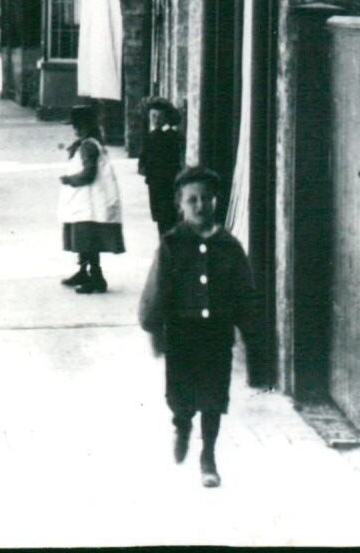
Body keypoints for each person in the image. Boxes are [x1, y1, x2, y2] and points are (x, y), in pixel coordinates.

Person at [138, 166, 255, 489]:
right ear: (181, 204)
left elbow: (245, 292)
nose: (200, 205)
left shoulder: (229, 245)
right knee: (180, 395)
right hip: (181, 334)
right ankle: (182, 425)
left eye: (206, 199)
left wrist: (251, 330)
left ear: (215, 202)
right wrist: (154, 327)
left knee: (214, 397)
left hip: (217, 333)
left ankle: (209, 456)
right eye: (193, 200)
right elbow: (156, 290)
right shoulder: (172, 245)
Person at [58, 101, 125, 294]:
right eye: (75, 126)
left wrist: (69, 179)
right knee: (83, 239)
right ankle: (83, 271)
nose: (76, 130)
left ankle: (96, 277)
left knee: (88, 241)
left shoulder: (88, 146)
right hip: (85, 202)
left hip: (90, 203)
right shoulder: (88, 144)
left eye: (80, 126)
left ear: (89, 126)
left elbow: (89, 174)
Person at [140, 99, 186, 233]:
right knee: (162, 217)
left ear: (166, 118)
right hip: (156, 183)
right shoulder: (151, 136)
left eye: (158, 116)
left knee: (168, 216)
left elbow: (178, 159)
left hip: (168, 182)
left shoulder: (173, 137)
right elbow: (143, 160)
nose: (155, 119)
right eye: (152, 116)